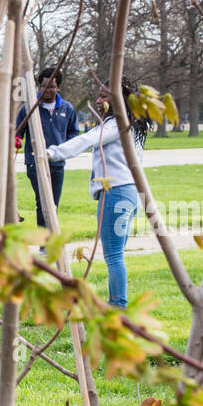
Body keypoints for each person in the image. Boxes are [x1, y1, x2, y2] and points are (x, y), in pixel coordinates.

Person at [46, 77, 150, 309]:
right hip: (131, 193)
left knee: (113, 254)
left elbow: (86, 140)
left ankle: (118, 305)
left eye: (104, 96)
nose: (98, 100)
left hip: (115, 193)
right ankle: (118, 303)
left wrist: (52, 153)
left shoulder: (115, 125)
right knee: (117, 253)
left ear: (117, 100)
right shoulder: (134, 124)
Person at [16, 66, 80, 227]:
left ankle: (52, 238)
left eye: (51, 87)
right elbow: (18, 130)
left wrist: (65, 148)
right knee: (43, 202)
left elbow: (74, 132)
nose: (47, 90)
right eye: (43, 86)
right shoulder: (30, 108)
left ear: (57, 87)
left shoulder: (67, 108)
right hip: (35, 163)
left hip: (57, 163)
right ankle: (43, 243)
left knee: (53, 203)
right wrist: (17, 139)